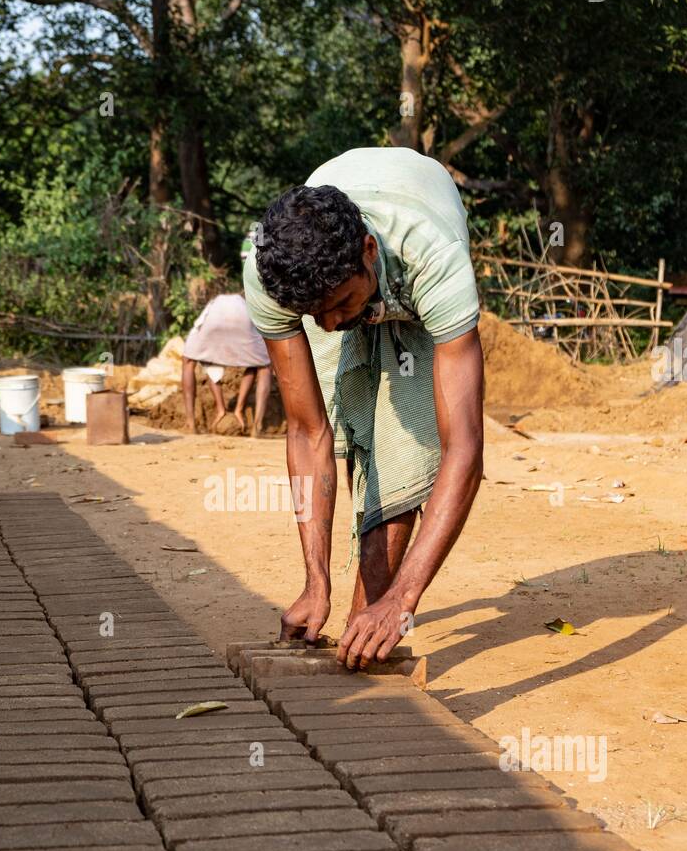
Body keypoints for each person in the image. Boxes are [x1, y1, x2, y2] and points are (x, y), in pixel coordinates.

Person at [243, 146, 484, 669]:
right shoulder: (272, 274)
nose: (329, 325)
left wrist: (400, 603)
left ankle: (372, 615)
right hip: (336, 263)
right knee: (351, 426)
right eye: (315, 314)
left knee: (402, 452)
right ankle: (345, 608)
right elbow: (308, 434)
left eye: (342, 306)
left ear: (369, 251)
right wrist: (315, 579)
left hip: (415, 263)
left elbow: (464, 449)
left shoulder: (435, 260)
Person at [181, 287, 272, 435]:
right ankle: (255, 424)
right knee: (263, 365)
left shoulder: (214, 296)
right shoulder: (245, 292)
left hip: (214, 319)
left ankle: (194, 422)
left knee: (189, 359)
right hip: (243, 316)